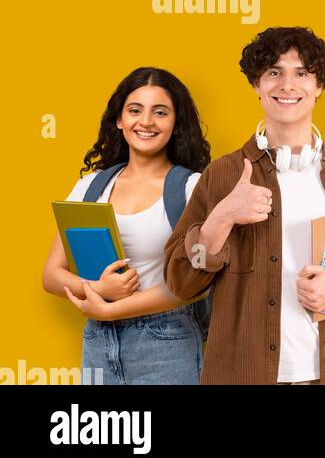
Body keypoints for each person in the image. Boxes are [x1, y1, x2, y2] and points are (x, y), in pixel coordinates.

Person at [164, 26, 325, 384]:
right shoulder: (222, 174)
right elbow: (181, 282)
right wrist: (221, 217)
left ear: (319, 88)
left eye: (301, 74)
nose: (287, 85)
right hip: (244, 373)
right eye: (274, 72)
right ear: (257, 84)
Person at [43, 67, 211, 384]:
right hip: (98, 342)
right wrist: (99, 291)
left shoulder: (192, 188)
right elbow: (51, 275)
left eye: (160, 112)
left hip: (167, 340)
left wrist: (112, 309)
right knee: (110, 432)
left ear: (176, 124)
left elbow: (196, 281)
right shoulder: (91, 187)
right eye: (135, 110)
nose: (145, 121)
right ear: (119, 119)